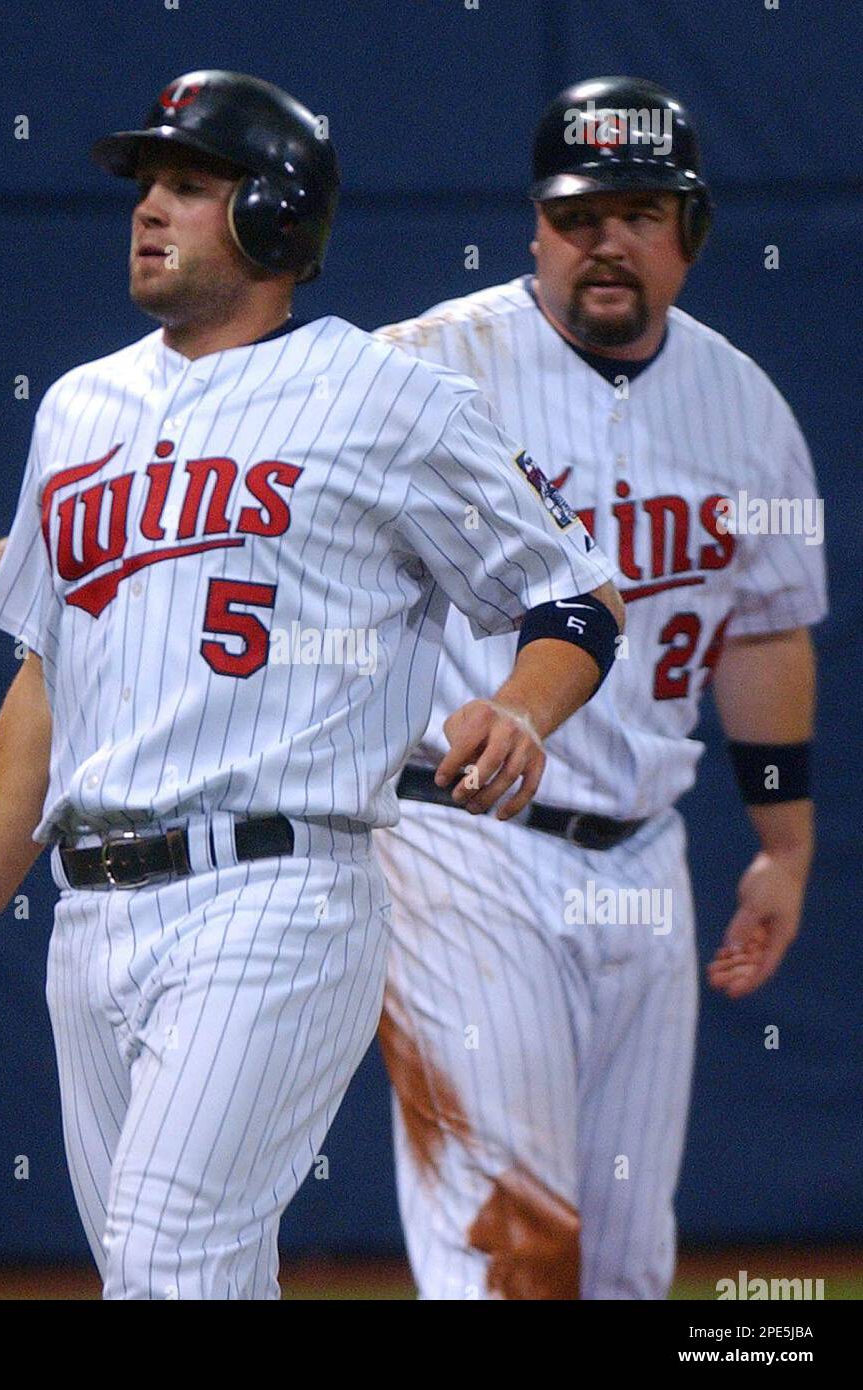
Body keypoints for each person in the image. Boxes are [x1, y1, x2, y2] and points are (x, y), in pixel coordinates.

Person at [0, 69, 622, 1301]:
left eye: (189, 186)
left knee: (167, 1265)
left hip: (278, 895)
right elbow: (52, 681)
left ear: (275, 213)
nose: (148, 208)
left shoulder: (390, 397)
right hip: (88, 918)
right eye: (146, 185)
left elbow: (575, 596)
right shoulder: (80, 409)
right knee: (183, 1278)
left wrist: (523, 705)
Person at [370, 76, 827, 1299]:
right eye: (580, 214)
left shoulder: (746, 407)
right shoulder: (424, 368)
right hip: (458, 843)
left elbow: (768, 629)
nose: (606, 240)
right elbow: (244, 483)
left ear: (692, 230)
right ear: (536, 228)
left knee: (627, 1267)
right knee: (515, 1243)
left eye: (639, 209)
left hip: (646, 859)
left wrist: (782, 839)